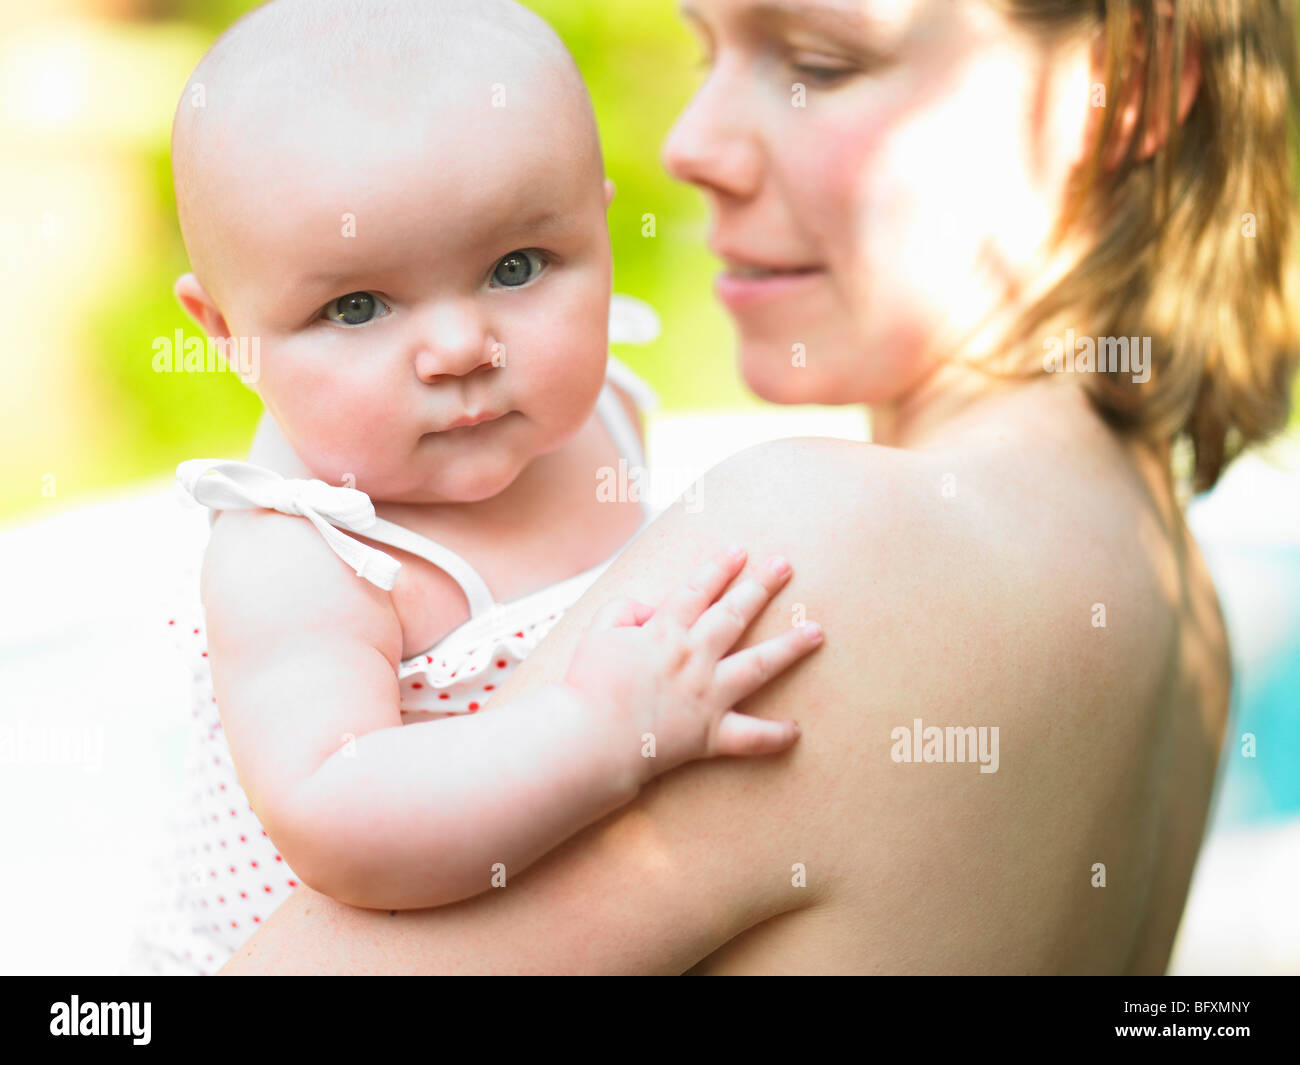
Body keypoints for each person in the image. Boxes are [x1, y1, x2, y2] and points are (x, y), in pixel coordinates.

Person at [222, 0, 1300, 974]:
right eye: (705, 48)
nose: (690, 148)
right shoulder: (1164, 579)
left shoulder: (825, 552)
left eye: (821, 65)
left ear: (1133, 87)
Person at [122, 0, 821, 976]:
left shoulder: (599, 411)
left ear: (600, 230)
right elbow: (339, 819)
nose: (459, 349)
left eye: (515, 267)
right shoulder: (304, 554)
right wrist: (601, 732)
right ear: (225, 332)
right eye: (356, 306)